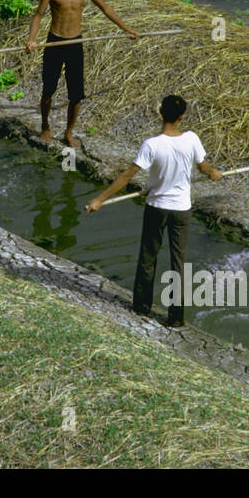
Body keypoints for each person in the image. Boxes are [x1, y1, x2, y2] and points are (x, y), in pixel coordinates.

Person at [85, 94, 224, 327]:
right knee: (178, 263)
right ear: (182, 117)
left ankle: (141, 308)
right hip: (181, 210)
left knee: (148, 258)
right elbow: (204, 167)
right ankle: (176, 318)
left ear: (161, 113)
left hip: (156, 208)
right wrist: (214, 173)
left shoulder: (152, 144)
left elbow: (127, 176)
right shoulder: (191, 139)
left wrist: (99, 199)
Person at [26, 0, 139, 150]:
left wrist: (126, 29)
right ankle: (45, 125)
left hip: (75, 44)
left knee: (76, 94)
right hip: (54, 42)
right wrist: (32, 39)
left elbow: (105, 9)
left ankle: (69, 132)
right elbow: (38, 16)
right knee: (48, 88)